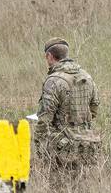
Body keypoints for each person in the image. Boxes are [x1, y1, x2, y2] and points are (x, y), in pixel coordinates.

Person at [28, 37, 100, 184]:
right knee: (81, 185)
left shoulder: (53, 81)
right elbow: (94, 108)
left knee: (59, 186)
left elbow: (44, 118)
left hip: (62, 145)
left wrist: (39, 145)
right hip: (86, 143)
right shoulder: (87, 76)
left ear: (49, 56)